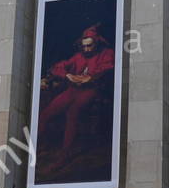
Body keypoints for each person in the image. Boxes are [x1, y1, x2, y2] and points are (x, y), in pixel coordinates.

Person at [38, 25, 115, 153]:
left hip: (91, 90)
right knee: (46, 113)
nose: (86, 49)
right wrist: (67, 75)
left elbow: (107, 68)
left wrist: (91, 77)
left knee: (72, 113)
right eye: (84, 46)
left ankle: (65, 152)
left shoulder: (107, 53)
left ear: (96, 43)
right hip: (73, 90)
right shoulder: (78, 56)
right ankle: (38, 145)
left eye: (89, 46)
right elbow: (59, 67)